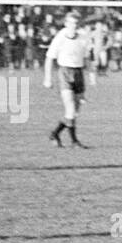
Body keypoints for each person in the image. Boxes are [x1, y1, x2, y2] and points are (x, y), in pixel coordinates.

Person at [43, 11, 90, 148]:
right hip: (64, 72)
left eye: (76, 23)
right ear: (66, 24)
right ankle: (74, 141)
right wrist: (47, 78)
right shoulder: (60, 37)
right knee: (70, 109)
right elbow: (49, 57)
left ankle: (55, 133)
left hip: (78, 73)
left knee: (74, 112)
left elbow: (86, 57)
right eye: (71, 23)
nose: (73, 26)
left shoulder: (83, 37)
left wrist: (92, 75)